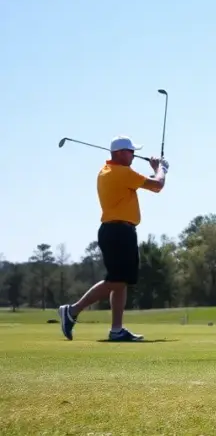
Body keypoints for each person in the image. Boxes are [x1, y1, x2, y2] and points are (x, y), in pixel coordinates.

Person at [57, 136, 168, 342]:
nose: (134, 155)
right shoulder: (120, 172)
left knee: (121, 282)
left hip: (119, 230)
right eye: (131, 151)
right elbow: (157, 185)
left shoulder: (107, 171)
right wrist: (161, 168)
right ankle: (72, 310)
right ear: (119, 153)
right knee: (116, 280)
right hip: (117, 231)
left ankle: (116, 329)